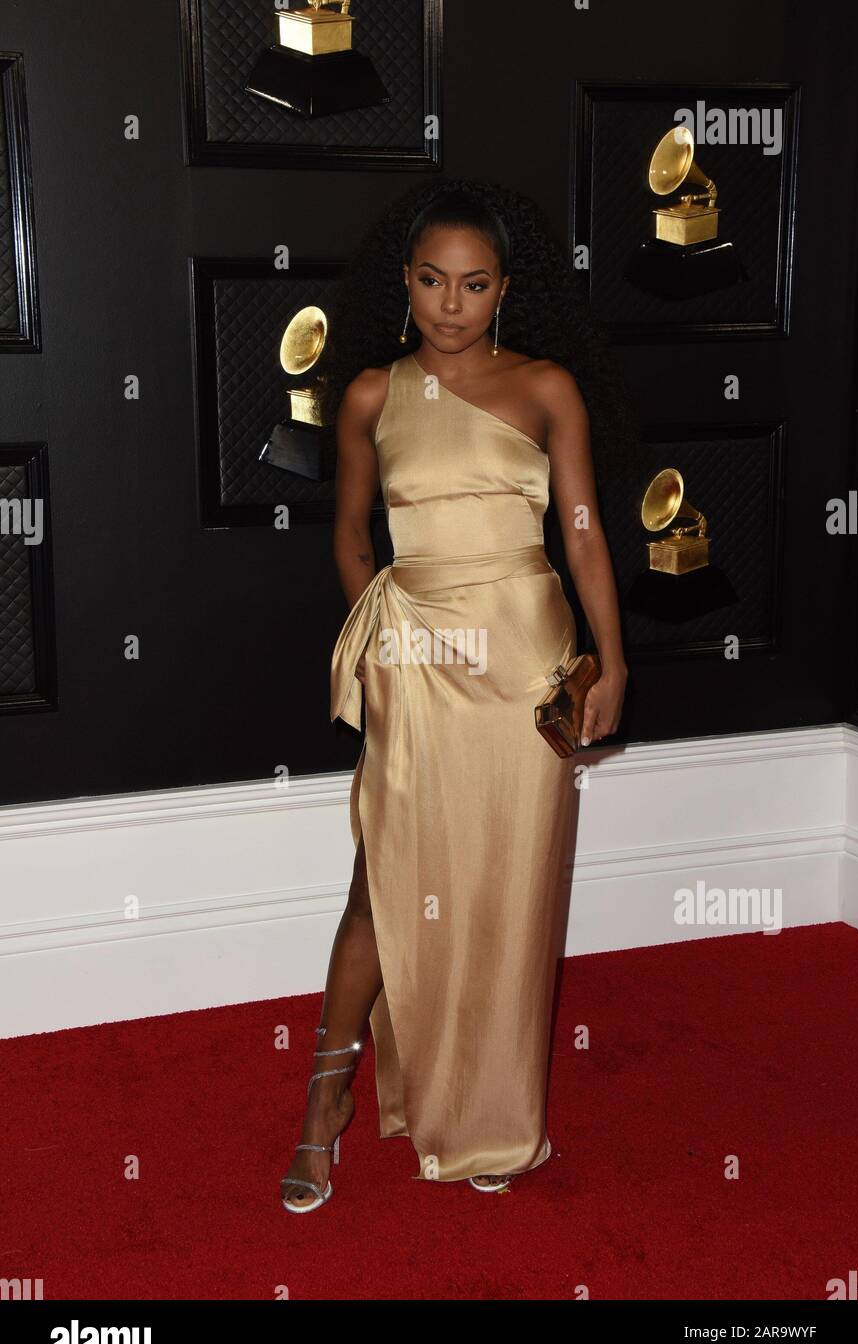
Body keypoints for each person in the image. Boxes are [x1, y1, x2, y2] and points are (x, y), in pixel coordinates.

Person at [280, 177, 633, 1211]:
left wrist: (609, 662)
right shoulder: (368, 396)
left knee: (508, 896)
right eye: (432, 280)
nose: (449, 303)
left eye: (473, 284)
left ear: (503, 290)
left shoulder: (544, 389)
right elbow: (351, 535)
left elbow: (580, 535)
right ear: (404, 281)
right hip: (416, 664)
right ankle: (322, 1109)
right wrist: (382, 639)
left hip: (523, 665)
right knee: (376, 888)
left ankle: (486, 1116)